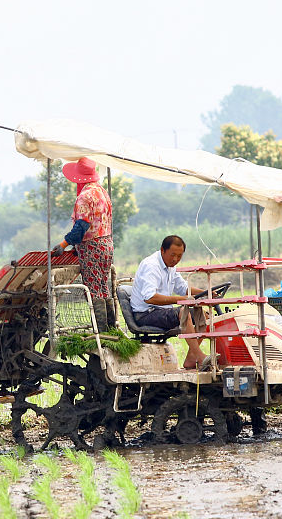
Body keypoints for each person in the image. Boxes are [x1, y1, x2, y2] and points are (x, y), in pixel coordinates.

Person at [130, 235, 210, 369]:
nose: (175, 259)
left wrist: (207, 292)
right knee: (183, 311)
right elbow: (149, 298)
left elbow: (183, 288)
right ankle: (199, 356)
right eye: (172, 255)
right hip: (146, 313)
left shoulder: (170, 266)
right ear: (162, 250)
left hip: (161, 311)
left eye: (179, 256)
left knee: (204, 315)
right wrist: (180, 300)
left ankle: (191, 358)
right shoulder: (151, 266)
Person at [53, 157, 113, 322]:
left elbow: (81, 227)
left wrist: (63, 244)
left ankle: (101, 333)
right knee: (103, 287)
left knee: (93, 289)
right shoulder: (101, 191)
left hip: (92, 247)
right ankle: (112, 329)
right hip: (107, 244)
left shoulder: (84, 197)